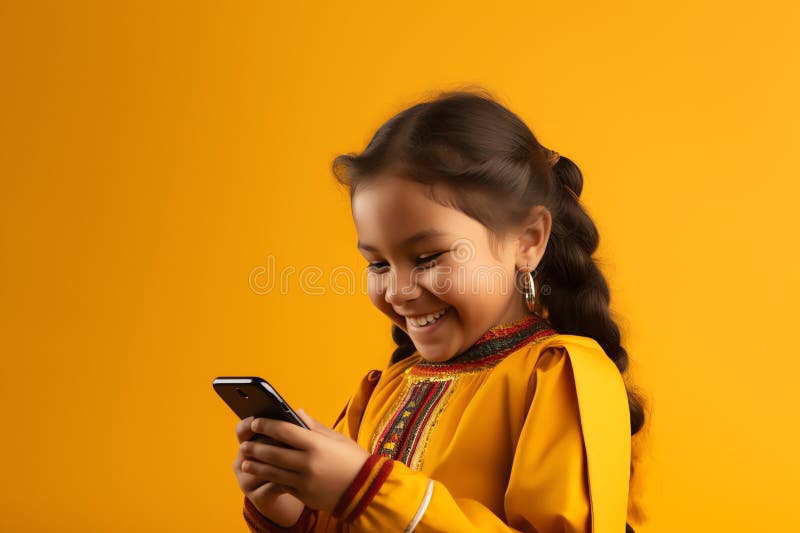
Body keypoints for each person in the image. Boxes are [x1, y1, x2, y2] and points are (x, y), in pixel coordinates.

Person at [231, 89, 646, 532]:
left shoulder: (556, 380)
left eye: (428, 257)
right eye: (378, 264)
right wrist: (294, 511)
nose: (400, 290)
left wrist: (366, 490)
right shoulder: (385, 389)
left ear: (527, 240)